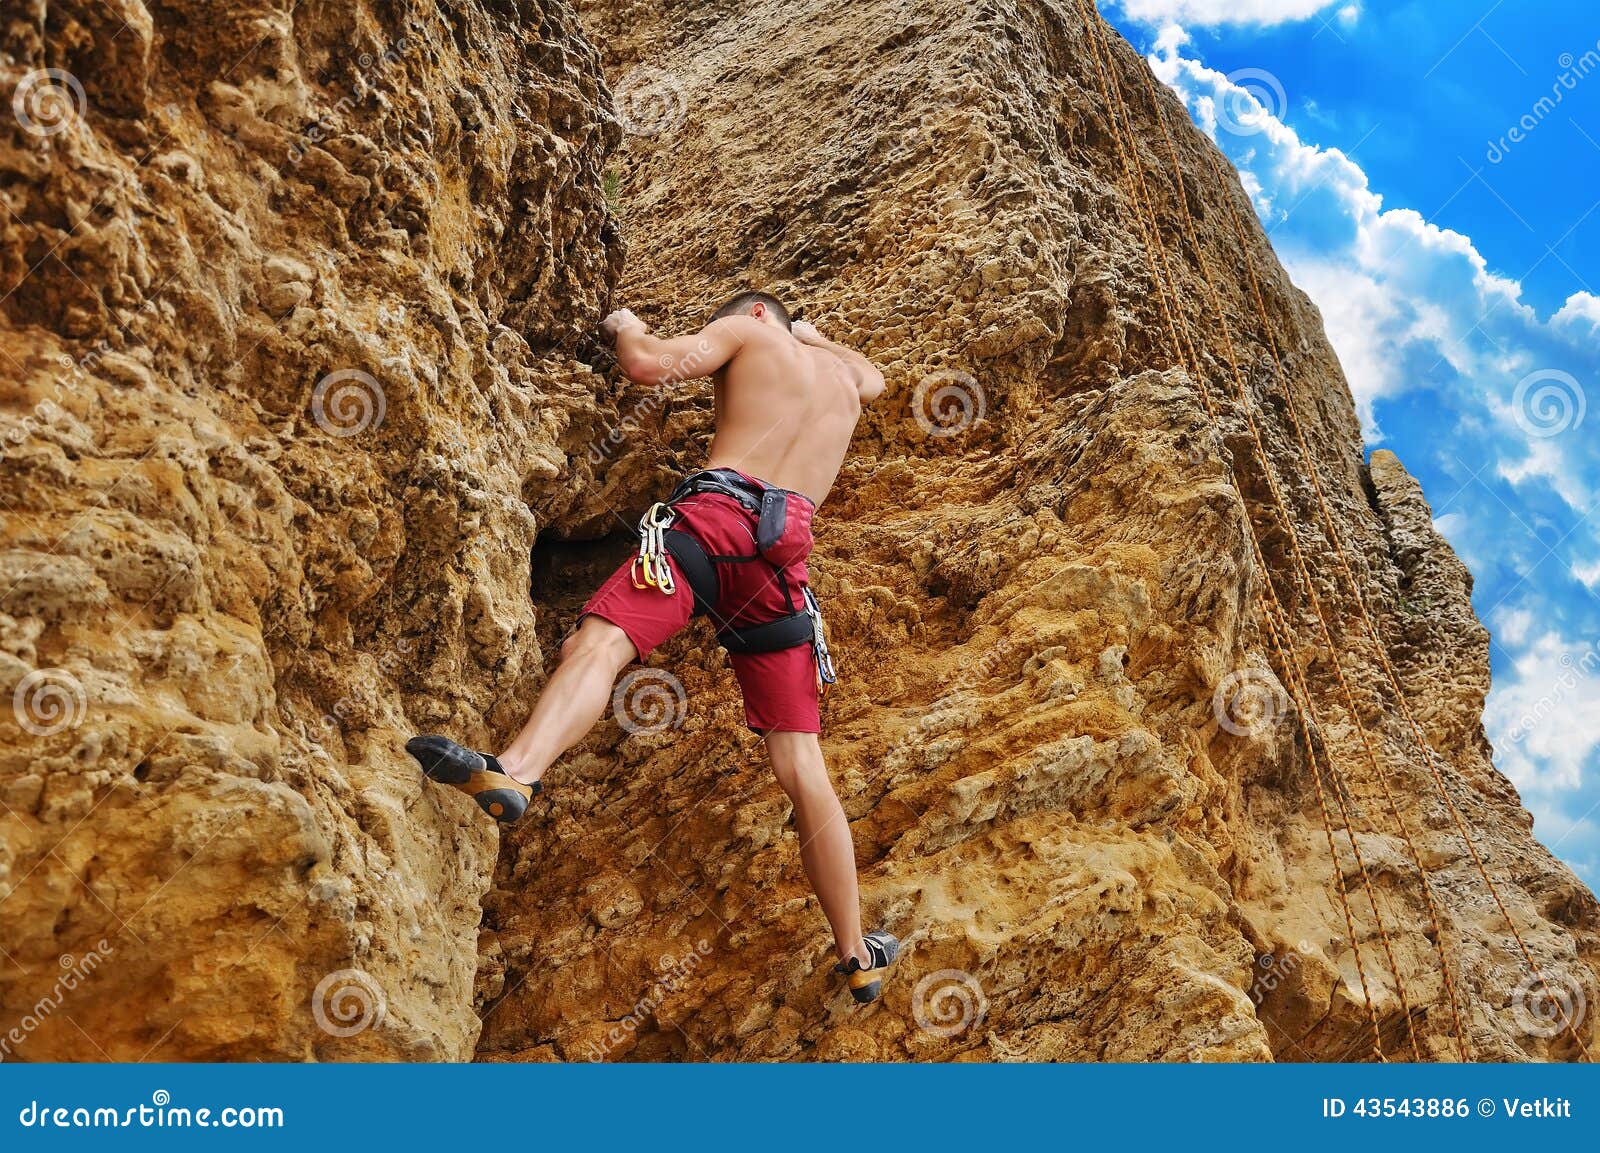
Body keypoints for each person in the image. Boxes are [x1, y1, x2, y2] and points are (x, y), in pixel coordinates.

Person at [407, 290, 898, 1003]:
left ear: (756, 315)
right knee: (800, 763)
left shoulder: (750, 333)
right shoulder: (846, 380)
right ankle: (858, 952)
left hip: (714, 523)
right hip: (785, 564)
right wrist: (821, 337)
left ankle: (517, 768)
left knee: (601, 643)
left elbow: (647, 365)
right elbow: (875, 376)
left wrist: (624, 324)